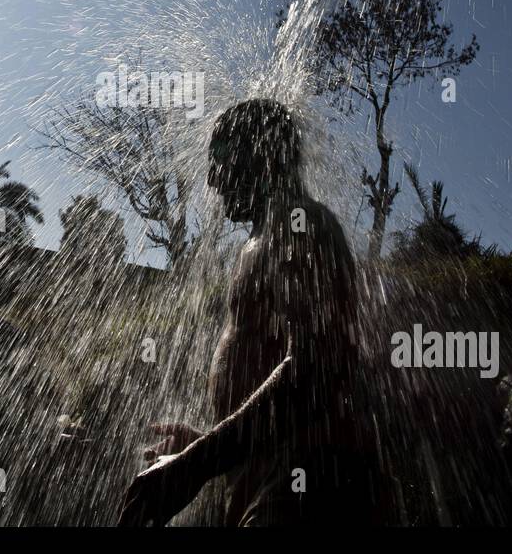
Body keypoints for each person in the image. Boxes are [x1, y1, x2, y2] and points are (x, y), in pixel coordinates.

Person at [117, 99, 390, 526]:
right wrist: (209, 444)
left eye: (222, 160)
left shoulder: (300, 224)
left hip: (312, 484)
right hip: (277, 478)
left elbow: (315, 366)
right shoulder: (265, 237)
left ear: (262, 154)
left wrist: (196, 461)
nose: (212, 178)